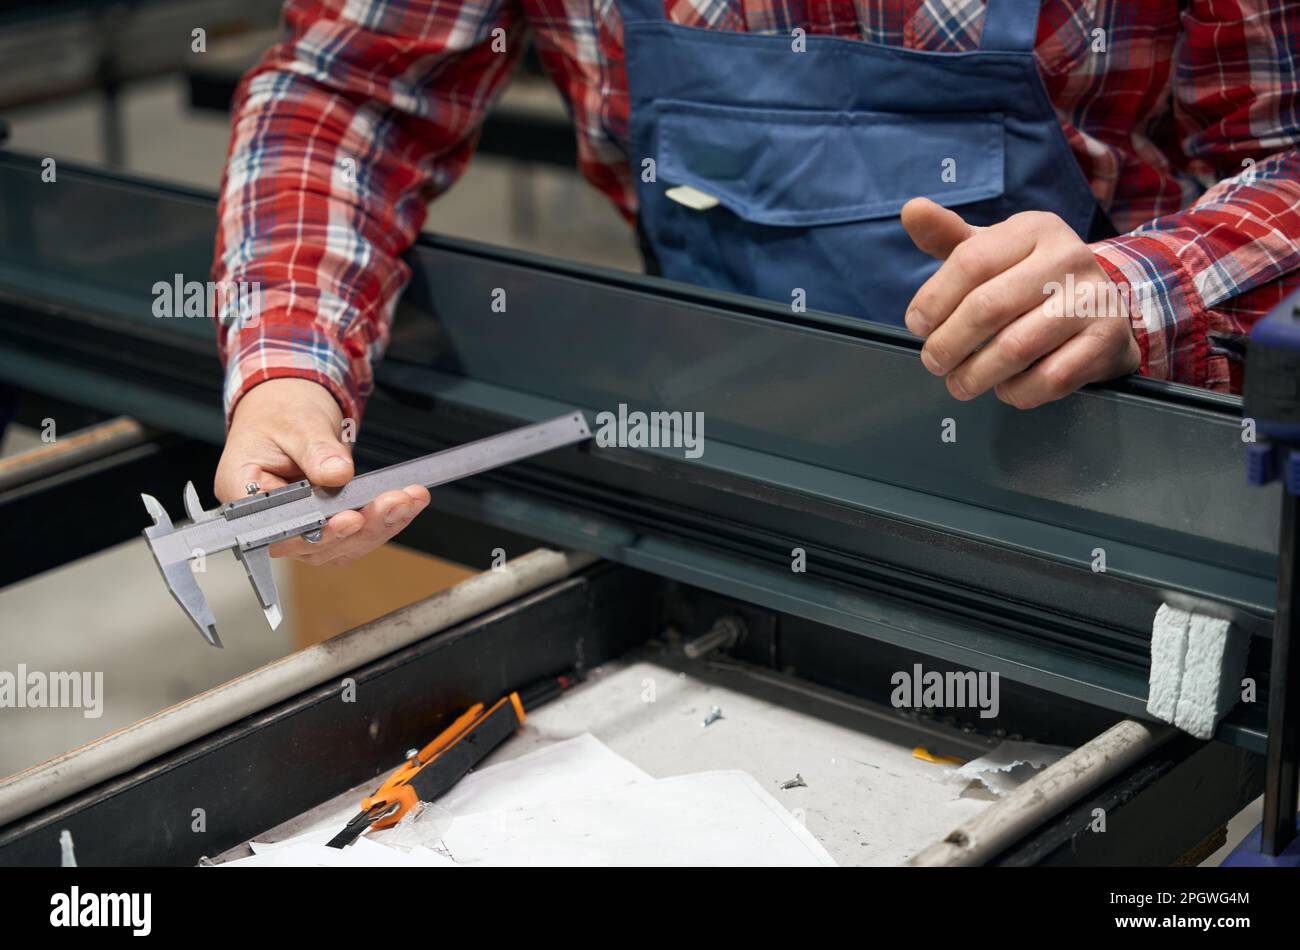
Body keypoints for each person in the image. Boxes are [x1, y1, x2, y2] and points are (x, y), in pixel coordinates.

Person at [211, 0, 1300, 567]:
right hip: (729, 482)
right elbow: (352, 89)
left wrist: (1142, 287)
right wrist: (290, 366)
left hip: (1117, 514)